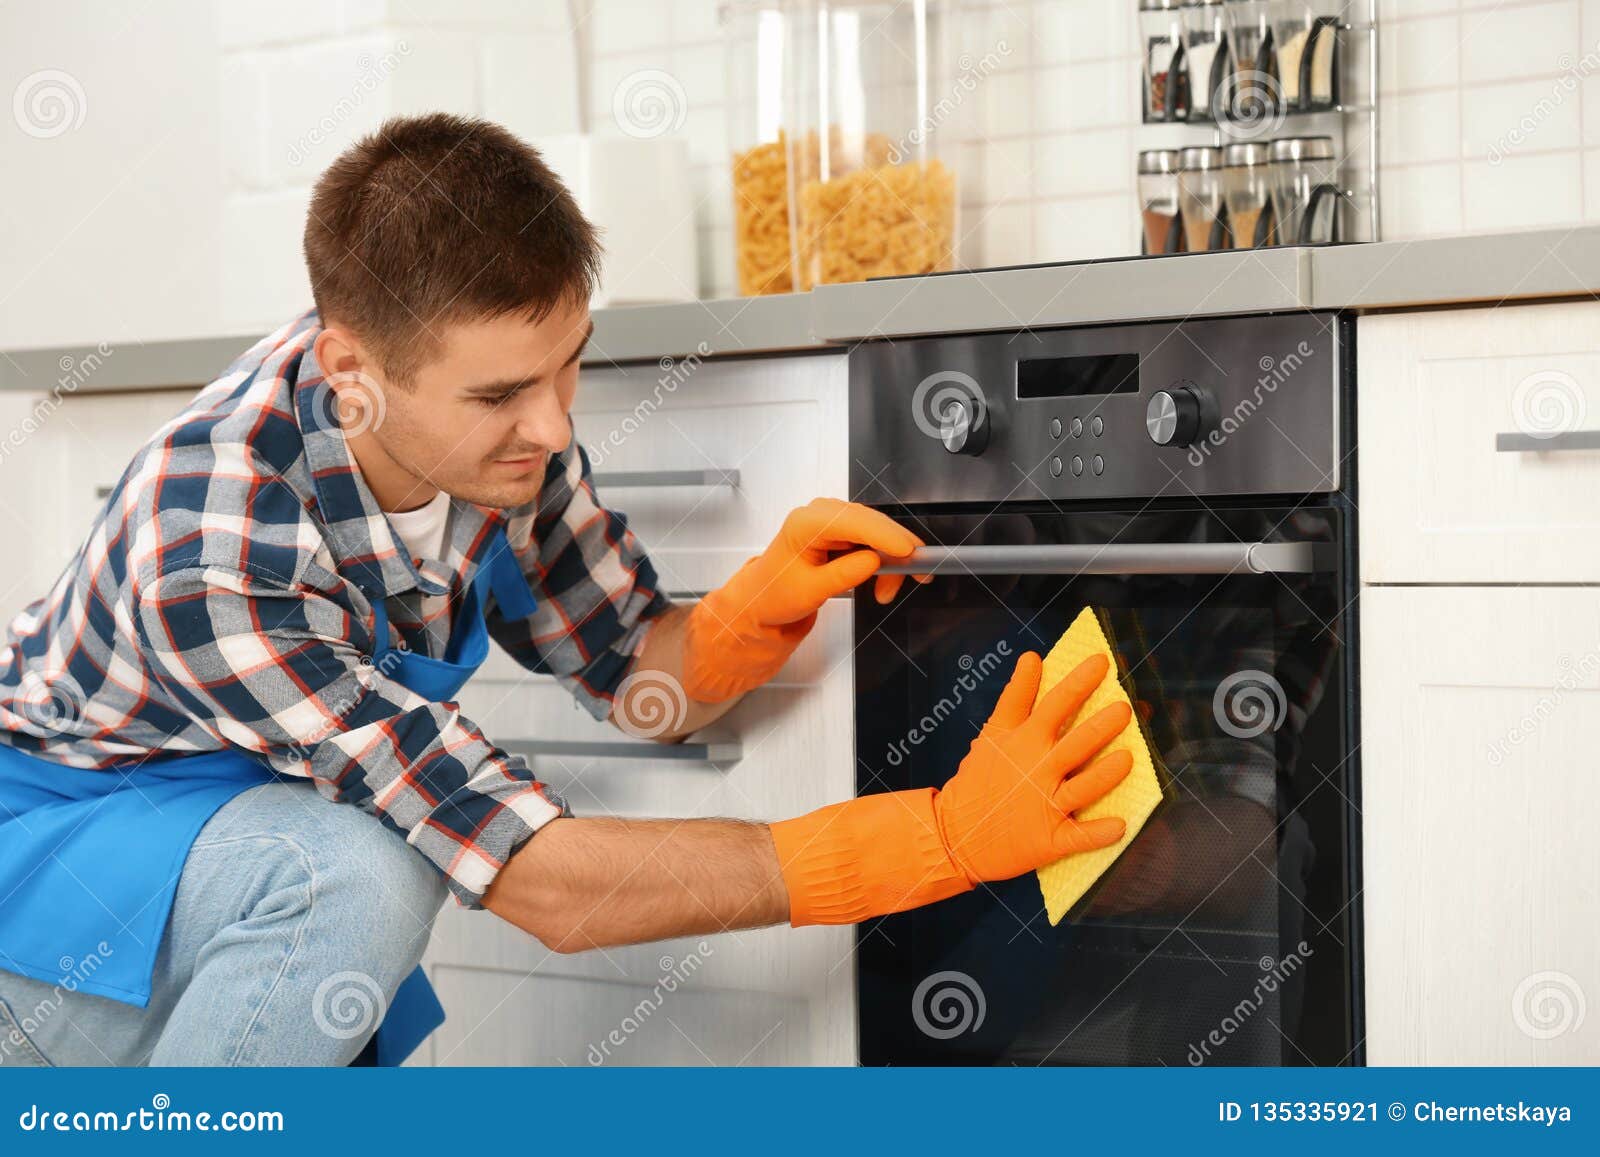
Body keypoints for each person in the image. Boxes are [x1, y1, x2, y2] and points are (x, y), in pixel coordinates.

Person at [0, 113, 1132, 1068]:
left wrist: (750, 615)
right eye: (501, 394)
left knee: (344, 875)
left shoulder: (493, 436)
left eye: (568, 362)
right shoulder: (217, 544)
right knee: (353, 870)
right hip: (61, 896)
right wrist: (934, 836)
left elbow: (640, 670)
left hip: (238, 846)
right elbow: (539, 879)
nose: (552, 425)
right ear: (353, 372)